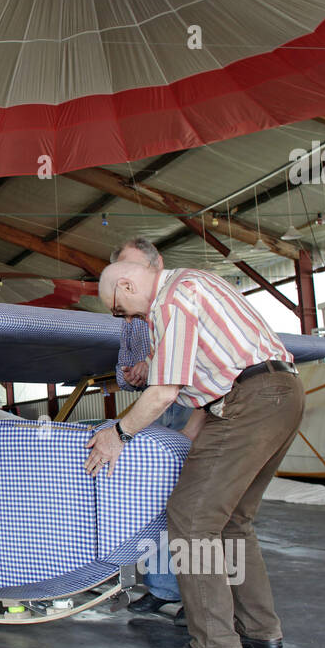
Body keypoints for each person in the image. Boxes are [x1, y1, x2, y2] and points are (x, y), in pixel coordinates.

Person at [87, 260, 304, 648]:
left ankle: (215, 644)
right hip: (284, 391)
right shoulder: (197, 282)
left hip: (250, 402)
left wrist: (118, 433)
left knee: (190, 518)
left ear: (129, 285)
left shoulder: (171, 301)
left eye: (120, 309)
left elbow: (165, 391)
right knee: (235, 521)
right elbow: (215, 370)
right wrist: (187, 428)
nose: (128, 318)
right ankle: (260, 630)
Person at [110, 239, 190, 622]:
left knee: (195, 501)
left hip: (190, 404)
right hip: (153, 409)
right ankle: (161, 588)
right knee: (156, 497)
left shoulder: (179, 298)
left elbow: (189, 354)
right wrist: (130, 373)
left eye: (133, 268)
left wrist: (151, 364)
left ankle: (201, 596)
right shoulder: (129, 321)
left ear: (156, 263)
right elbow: (121, 369)